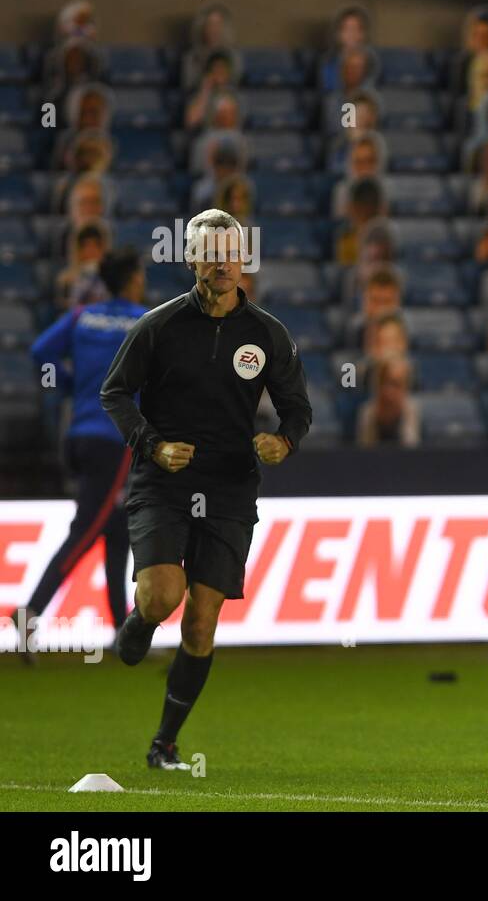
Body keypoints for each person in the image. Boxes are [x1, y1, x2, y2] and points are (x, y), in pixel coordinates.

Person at [100, 209, 311, 770]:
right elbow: (115, 393)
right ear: (191, 257)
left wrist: (283, 441)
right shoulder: (159, 326)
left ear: (243, 258)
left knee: (201, 619)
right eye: (210, 251)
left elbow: (298, 410)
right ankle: (141, 618)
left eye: (231, 251)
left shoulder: (268, 334)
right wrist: (151, 444)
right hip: (165, 481)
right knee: (163, 597)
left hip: (229, 489)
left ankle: (164, 742)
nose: (221, 262)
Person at [10, 251, 149, 662]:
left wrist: (70, 385)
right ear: (131, 280)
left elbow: (39, 351)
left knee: (117, 527)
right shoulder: (144, 320)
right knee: (87, 529)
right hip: (115, 439)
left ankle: (122, 632)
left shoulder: (81, 317)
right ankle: (30, 611)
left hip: (80, 435)